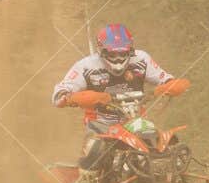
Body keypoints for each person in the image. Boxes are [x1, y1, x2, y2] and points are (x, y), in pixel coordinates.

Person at [52, 24, 191, 174]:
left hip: (135, 122)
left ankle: (178, 181)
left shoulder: (141, 59)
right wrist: (76, 97)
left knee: (167, 142)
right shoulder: (86, 66)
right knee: (96, 151)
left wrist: (172, 86)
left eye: (123, 54)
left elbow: (166, 79)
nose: (118, 59)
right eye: (112, 54)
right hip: (101, 125)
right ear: (101, 51)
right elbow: (58, 95)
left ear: (130, 51)